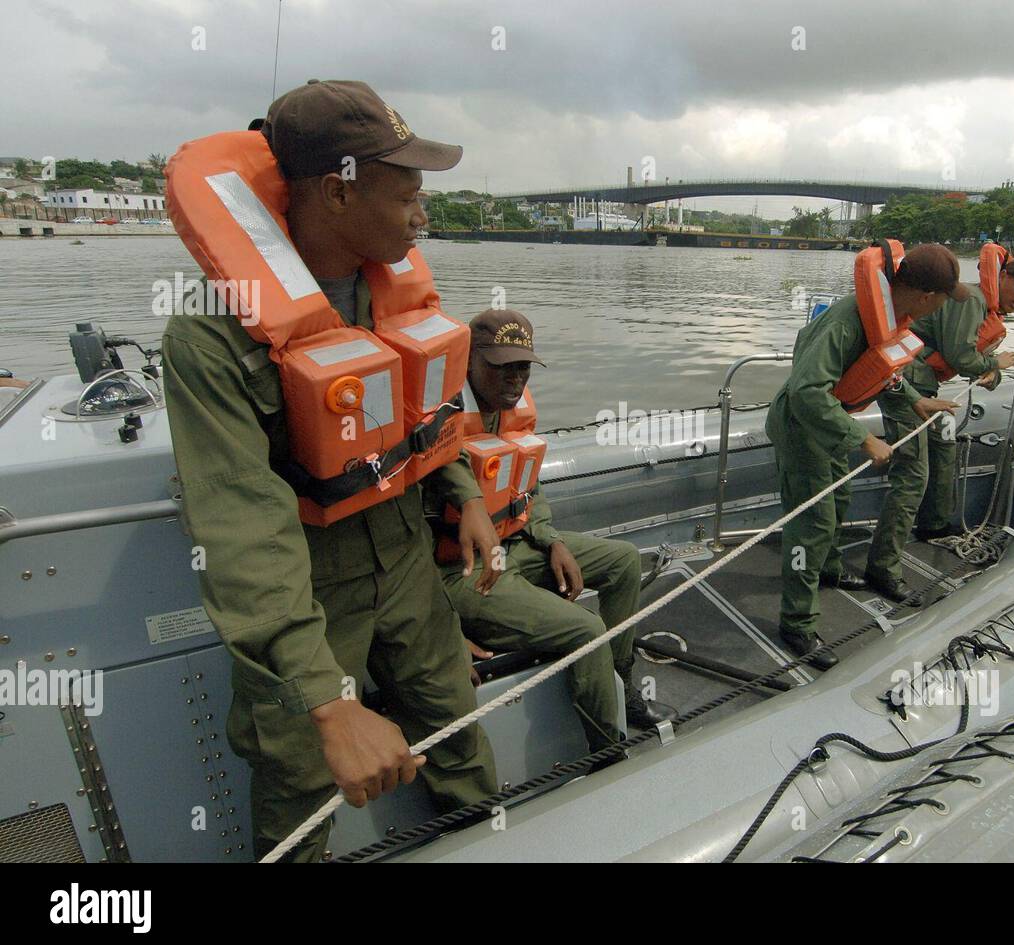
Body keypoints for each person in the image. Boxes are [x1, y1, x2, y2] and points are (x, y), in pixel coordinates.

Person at [162, 80, 499, 861]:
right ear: (336, 192)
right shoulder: (211, 340)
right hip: (310, 599)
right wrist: (323, 696)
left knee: (457, 733)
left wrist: (465, 495)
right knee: (300, 789)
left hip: (409, 567)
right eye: (408, 193)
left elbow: (428, 413)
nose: (424, 216)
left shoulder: (393, 292)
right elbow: (241, 523)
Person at [429, 309, 678, 752]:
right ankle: (607, 750)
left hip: (516, 545)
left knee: (622, 561)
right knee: (585, 628)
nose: (515, 379)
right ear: (468, 361)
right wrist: (440, 626)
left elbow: (527, 490)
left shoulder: (512, 415)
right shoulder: (436, 425)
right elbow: (402, 546)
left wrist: (553, 540)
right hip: (461, 573)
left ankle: (619, 683)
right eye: (501, 367)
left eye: (522, 367)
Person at [765, 243, 963, 670]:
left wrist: (914, 400)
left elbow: (881, 369)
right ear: (928, 297)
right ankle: (797, 621)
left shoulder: (888, 316)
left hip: (832, 423)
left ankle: (829, 572)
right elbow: (806, 392)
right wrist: (863, 438)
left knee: (838, 503)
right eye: (946, 299)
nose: (945, 307)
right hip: (803, 426)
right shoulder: (845, 321)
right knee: (811, 525)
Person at [864, 253, 1014, 603]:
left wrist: (992, 371)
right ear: (1003, 276)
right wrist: (997, 363)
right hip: (905, 379)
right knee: (912, 476)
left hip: (924, 382)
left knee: (943, 444)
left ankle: (934, 524)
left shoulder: (984, 309)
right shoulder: (974, 302)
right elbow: (962, 357)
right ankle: (882, 568)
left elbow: (971, 364)